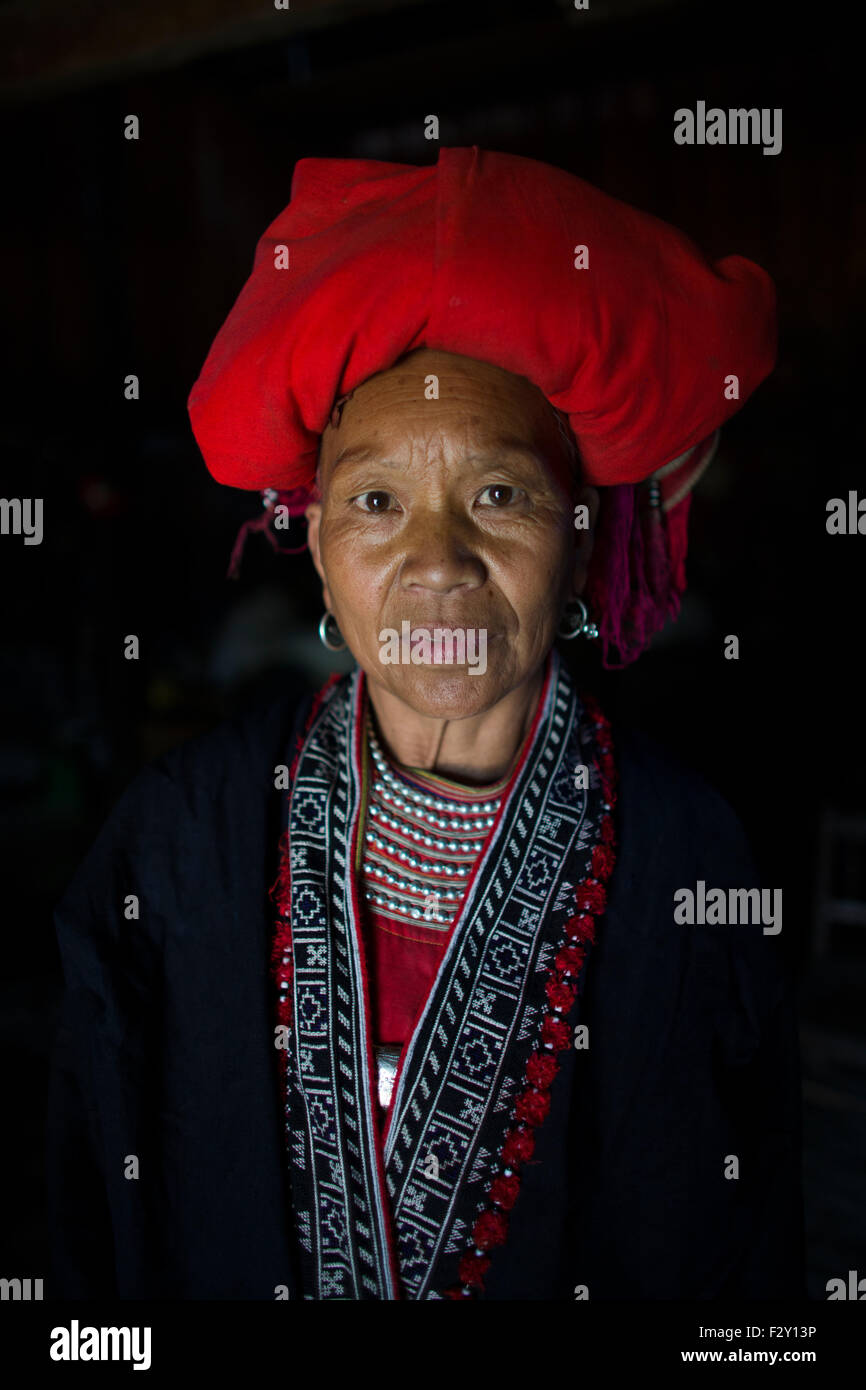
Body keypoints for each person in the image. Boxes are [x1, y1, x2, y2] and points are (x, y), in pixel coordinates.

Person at [46, 145, 804, 1301]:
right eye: (375, 500)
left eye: (497, 495)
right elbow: (88, 1225)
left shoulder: (691, 855)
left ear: (583, 533)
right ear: (310, 539)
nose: (437, 562)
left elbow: (745, 1262)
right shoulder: (175, 838)